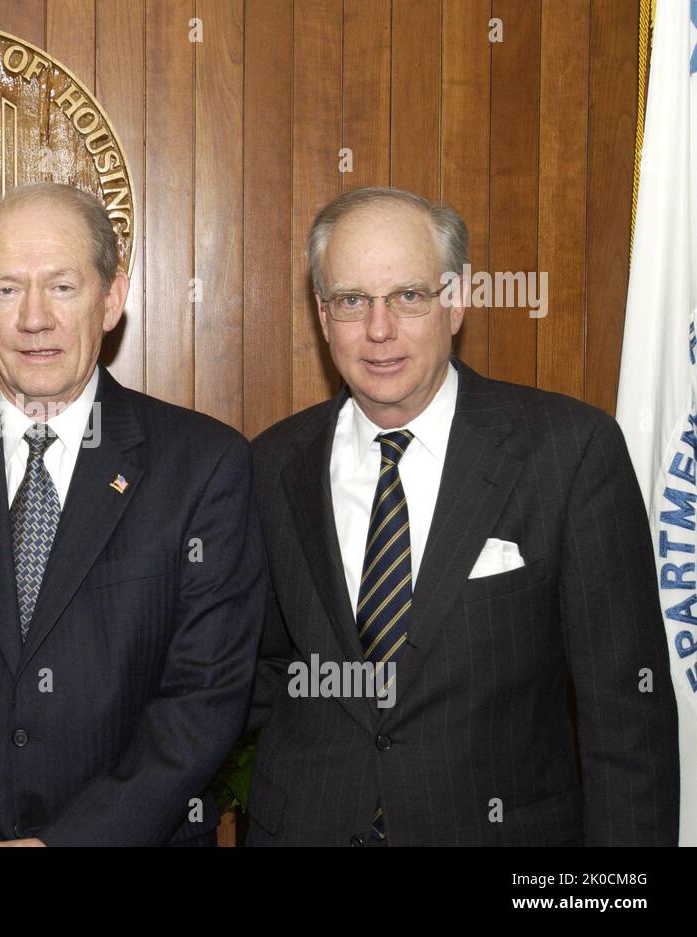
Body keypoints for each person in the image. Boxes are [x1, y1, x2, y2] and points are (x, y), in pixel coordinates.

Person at [246, 185, 680, 845]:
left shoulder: (568, 452)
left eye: (409, 297)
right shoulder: (273, 464)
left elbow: (629, 718)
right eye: (352, 300)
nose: (379, 329)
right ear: (321, 312)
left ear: (456, 300)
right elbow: (262, 670)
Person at [0, 182, 264, 846]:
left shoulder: (204, 468)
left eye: (62, 287)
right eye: (7, 289)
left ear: (113, 298)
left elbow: (204, 699)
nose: (35, 318)